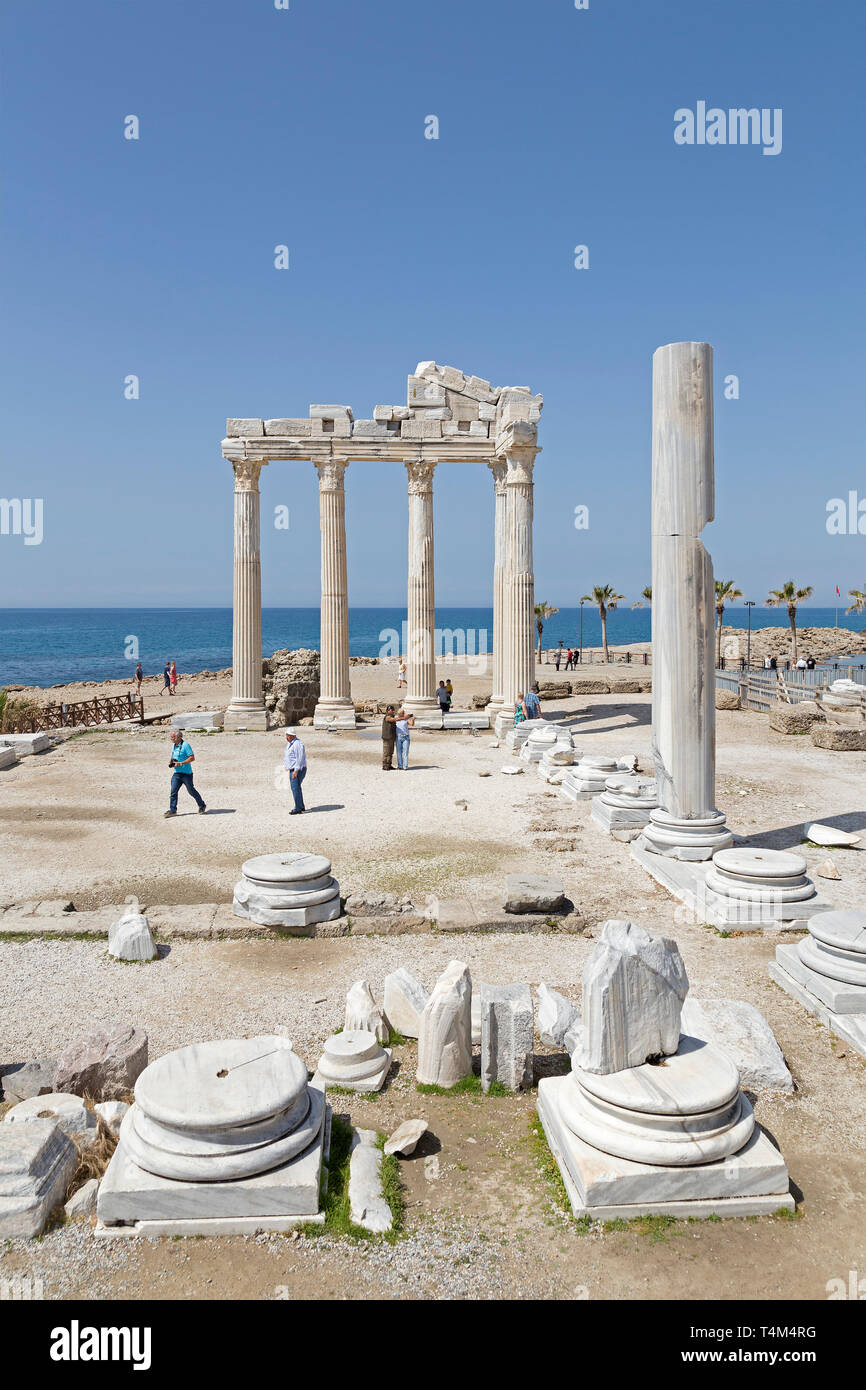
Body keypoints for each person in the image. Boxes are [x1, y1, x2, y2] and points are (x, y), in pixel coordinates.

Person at [164, 730, 206, 817]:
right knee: (173, 792)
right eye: (171, 737)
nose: (171, 739)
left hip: (186, 774)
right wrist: (171, 761)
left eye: (173, 737)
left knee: (191, 791)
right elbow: (173, 755)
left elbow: (192, 758)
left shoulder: (186, 745)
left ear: (179, 737)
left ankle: (201, 805)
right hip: (177, 773)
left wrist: (181, 763)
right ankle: (173, 810)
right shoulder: (174, 746)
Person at [284, 728, 307, 813]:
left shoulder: (297, 744)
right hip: (293, 769)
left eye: (288, 735)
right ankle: (301, 806)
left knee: (295, 788)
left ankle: (298, 808)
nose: (286, 737)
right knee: (297, 788)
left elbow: (299, 759)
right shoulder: (290, 743)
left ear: (292, 736)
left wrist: (296, 771)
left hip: (297, 770)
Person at [381, 704, 398, 770]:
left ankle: (389, 764)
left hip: (391, 737)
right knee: (386, 752)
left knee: (391, 752)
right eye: (392, 710)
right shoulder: (387, 717)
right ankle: (385, 765)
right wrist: (401, 718)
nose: (393, 711)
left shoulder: (392, 716)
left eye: (393, 710)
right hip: (387, 738)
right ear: (388, 711)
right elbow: (391, 720)